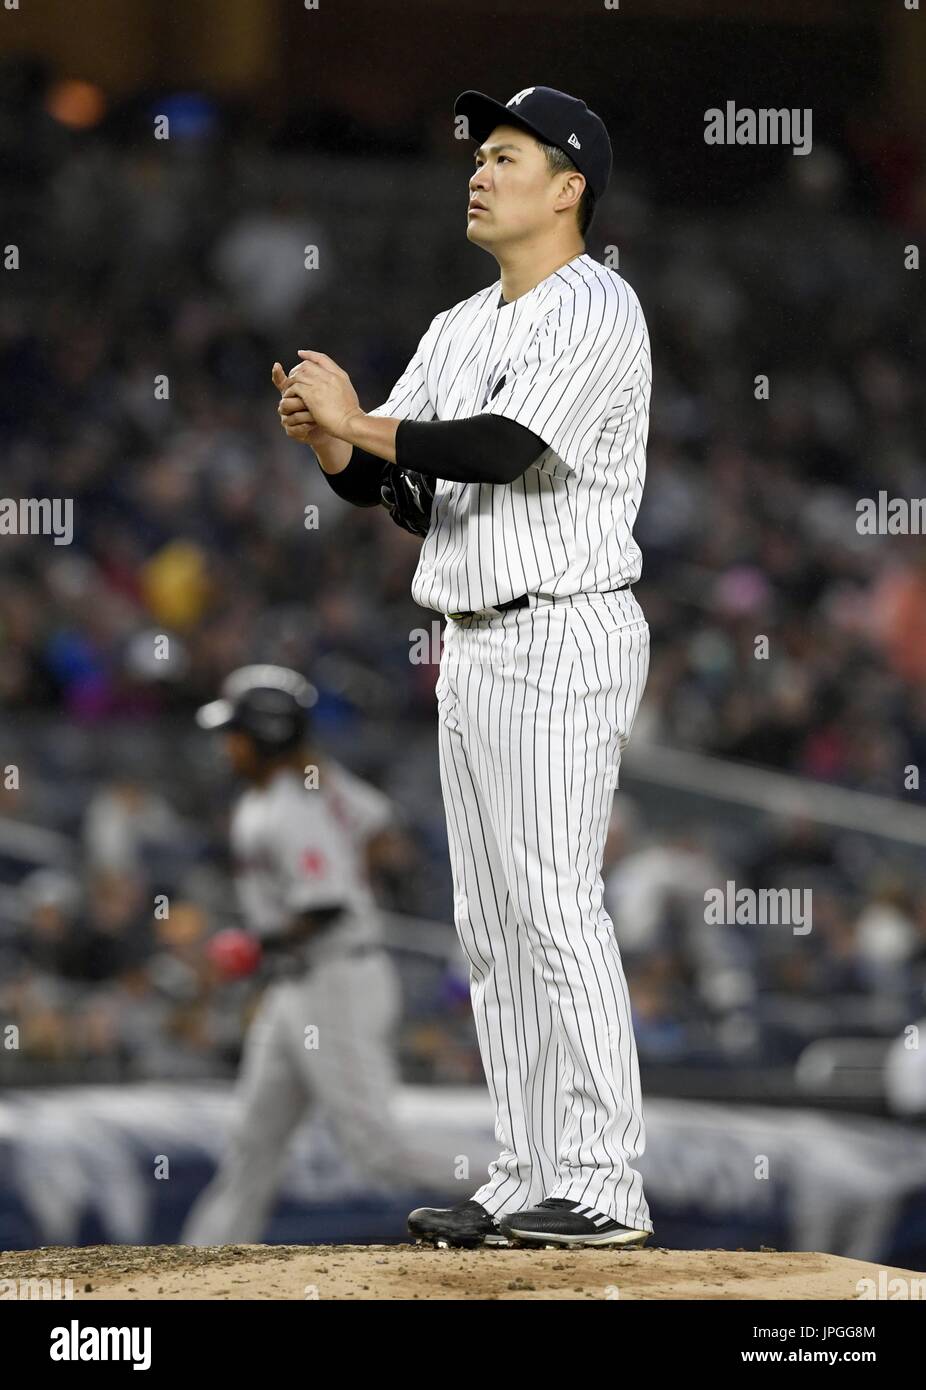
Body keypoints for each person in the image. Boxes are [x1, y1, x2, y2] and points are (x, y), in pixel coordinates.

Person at [273, 86, 653, 1250]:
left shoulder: (598, 305)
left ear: (567, 184)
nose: (477, 173)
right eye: (476, 156)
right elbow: (409, 489)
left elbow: (501, 448)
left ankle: (605, 1182)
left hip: (561, 628)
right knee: (487, 923)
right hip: (471, 640)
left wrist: (365, 425)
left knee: (549, 903)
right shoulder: (459, 324)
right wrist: (335, 438)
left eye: (503, 156)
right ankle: (528, 1165)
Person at [180, 664, 447, 1245]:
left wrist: (254, 944)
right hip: (299, 985)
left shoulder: (290, 805)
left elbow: (328, 904)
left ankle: (516, 1195)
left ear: (268, 735)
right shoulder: (313, 783)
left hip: (336, 980)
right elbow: (382, 830)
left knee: (378, 1152)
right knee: (254, 1139)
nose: (227, 745)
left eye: (236, 732)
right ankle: (197, 1269)